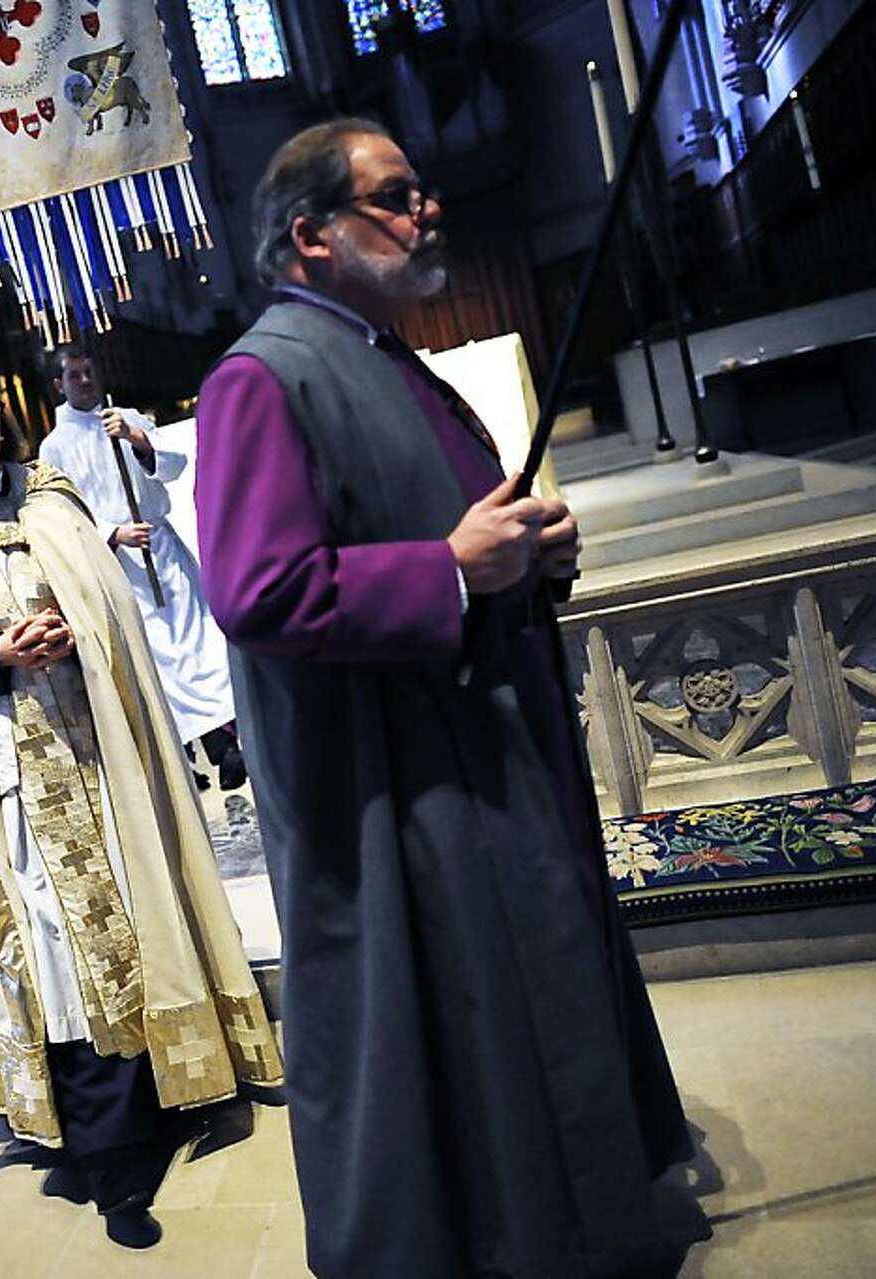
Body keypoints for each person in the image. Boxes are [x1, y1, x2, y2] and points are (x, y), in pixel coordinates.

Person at [194, 119, 695, 1277]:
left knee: (522, 999)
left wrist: (527, 556)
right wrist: (451, 571)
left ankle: (557, 1222)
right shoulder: (262, 376)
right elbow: (260, 592)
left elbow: (452, 534)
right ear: (311, 235)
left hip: (480, 747)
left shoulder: (383, 354)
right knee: (447, 1015)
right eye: (395, 196)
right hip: (395, 783)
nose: (427, 212)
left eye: (422, 192)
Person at [0, 357, 282, 1251]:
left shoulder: (52, 501)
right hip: (14, 785)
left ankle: (185, 1086)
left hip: (103, 758)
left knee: (143, 916)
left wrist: (75, 633)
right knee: (60, 955)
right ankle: (111, 1156)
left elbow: (114, 614)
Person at [39, 345, 246, 790]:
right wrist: (113, 532)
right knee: (155, 661)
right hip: (119, 563)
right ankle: (182, 760)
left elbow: (173, 466)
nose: (86, 381)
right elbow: (62, 510)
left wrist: (138, 440)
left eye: (90, 371)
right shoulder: (53, 448)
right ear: (59, 385)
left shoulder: (128, 417)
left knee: (199, 647)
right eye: (75, 375)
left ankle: (225, 744)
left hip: (160, 546)